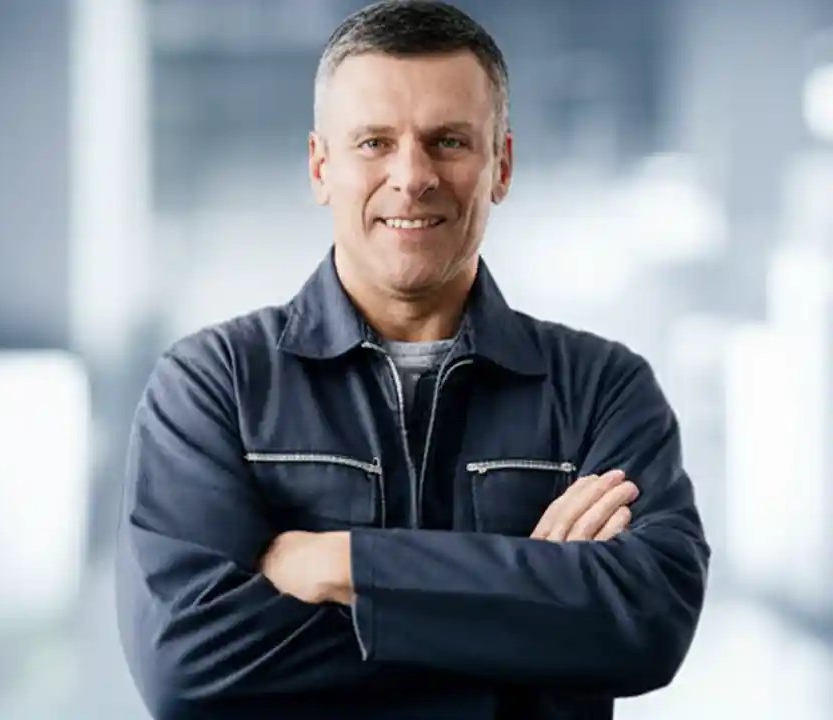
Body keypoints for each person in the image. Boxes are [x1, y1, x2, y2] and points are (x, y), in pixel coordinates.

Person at [115, 2, 710, 719]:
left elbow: (649, 622)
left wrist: (343, 564)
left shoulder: (601, 390)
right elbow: (187, 665)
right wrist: (533, 633)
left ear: (501, 166)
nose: (412, 175)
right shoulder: (215, 386)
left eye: (448, 141)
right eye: (374, 142)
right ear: (321, 167)